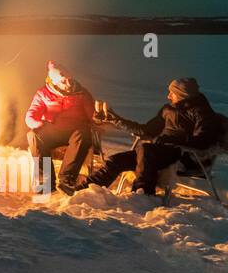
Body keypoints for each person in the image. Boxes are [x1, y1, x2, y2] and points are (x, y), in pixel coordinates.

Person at [84, 78, 220, 194]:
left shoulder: (202, 113)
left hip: (181, 156)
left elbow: (203, 141)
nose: (168, 96)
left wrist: (171, 140)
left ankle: (143, 193)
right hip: (155, 152)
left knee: (146, 149)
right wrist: (116, 119)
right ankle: (84, 189)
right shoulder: (168, 110)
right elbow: (146, 130)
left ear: (182, 94)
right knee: (115, 160)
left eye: (171, 93)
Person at [24, 61, 95, 194]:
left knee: (84, 134)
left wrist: (98, 119)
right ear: (55, 81)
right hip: (53, 129)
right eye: (63, 81)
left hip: (75, 130)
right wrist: (37, 123)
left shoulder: (82, 94)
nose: (68, 84)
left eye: (69, 80)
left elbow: (93, 116)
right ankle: (45, 182)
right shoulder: (43, 94)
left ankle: (66, 179)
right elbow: (31, 114)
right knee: (33, 135)